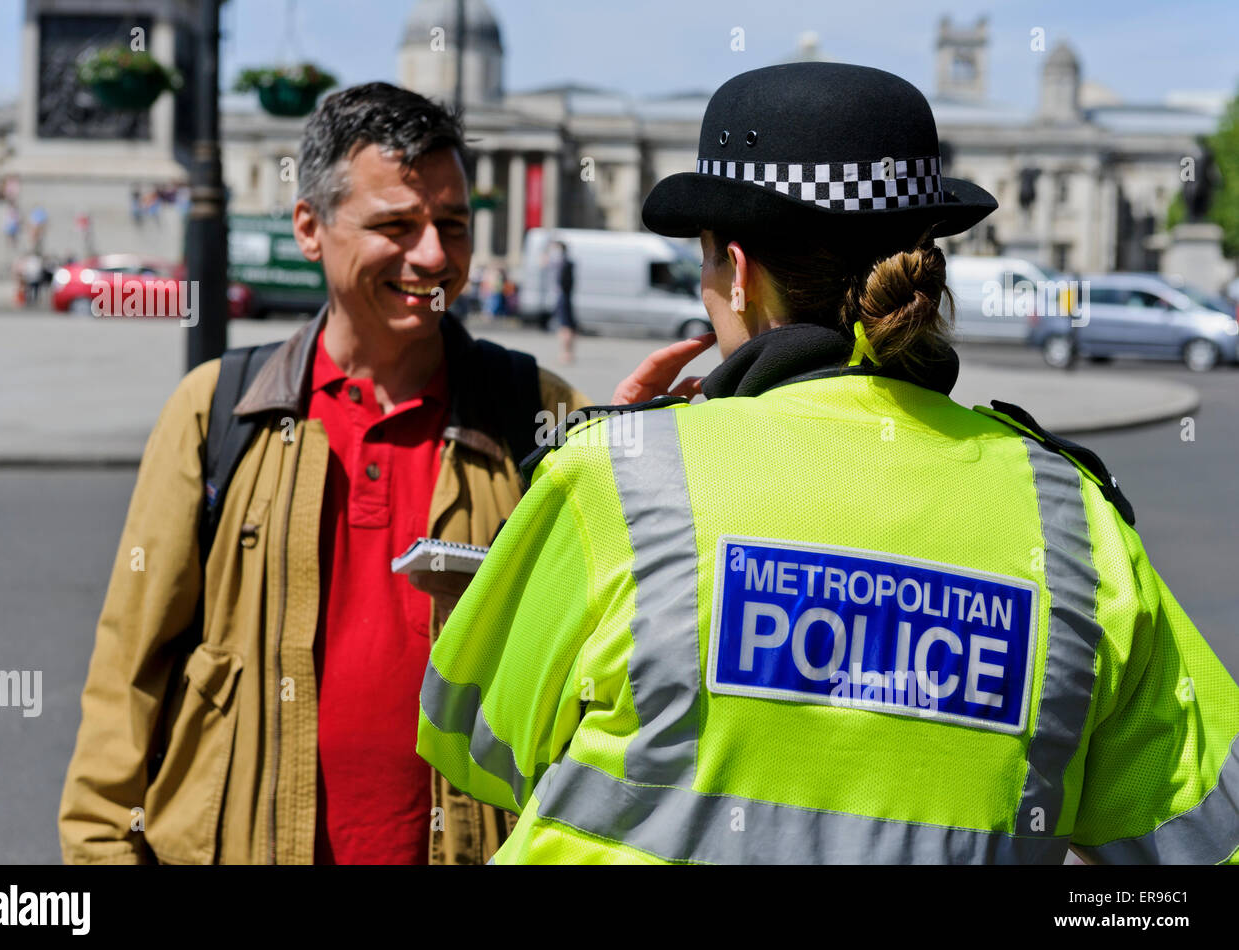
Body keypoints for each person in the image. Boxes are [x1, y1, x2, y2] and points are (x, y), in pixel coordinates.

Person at [417, 62, 1239, 864]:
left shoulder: (619, 480)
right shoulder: (1071, 520)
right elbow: (1209, 834)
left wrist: (615, 455)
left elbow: (476, 741)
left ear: (737, 273)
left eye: (703, 260)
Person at [59, 81, 589, 866]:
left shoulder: (538, 414)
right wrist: (101, 853)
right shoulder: (217, 413)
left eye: (451, 224)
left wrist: (646, 456)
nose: (434, 256)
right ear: (309, 226)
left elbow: (597, 685)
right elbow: (129, 673)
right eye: (396, 226)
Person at [548, 240, 577, 364]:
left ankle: (566, 354)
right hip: (565, 297)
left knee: (565, 327)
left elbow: (564, 283)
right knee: (566, 326)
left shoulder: (565, 264)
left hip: (563, 297)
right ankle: (566, 353)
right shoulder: (566, 263)